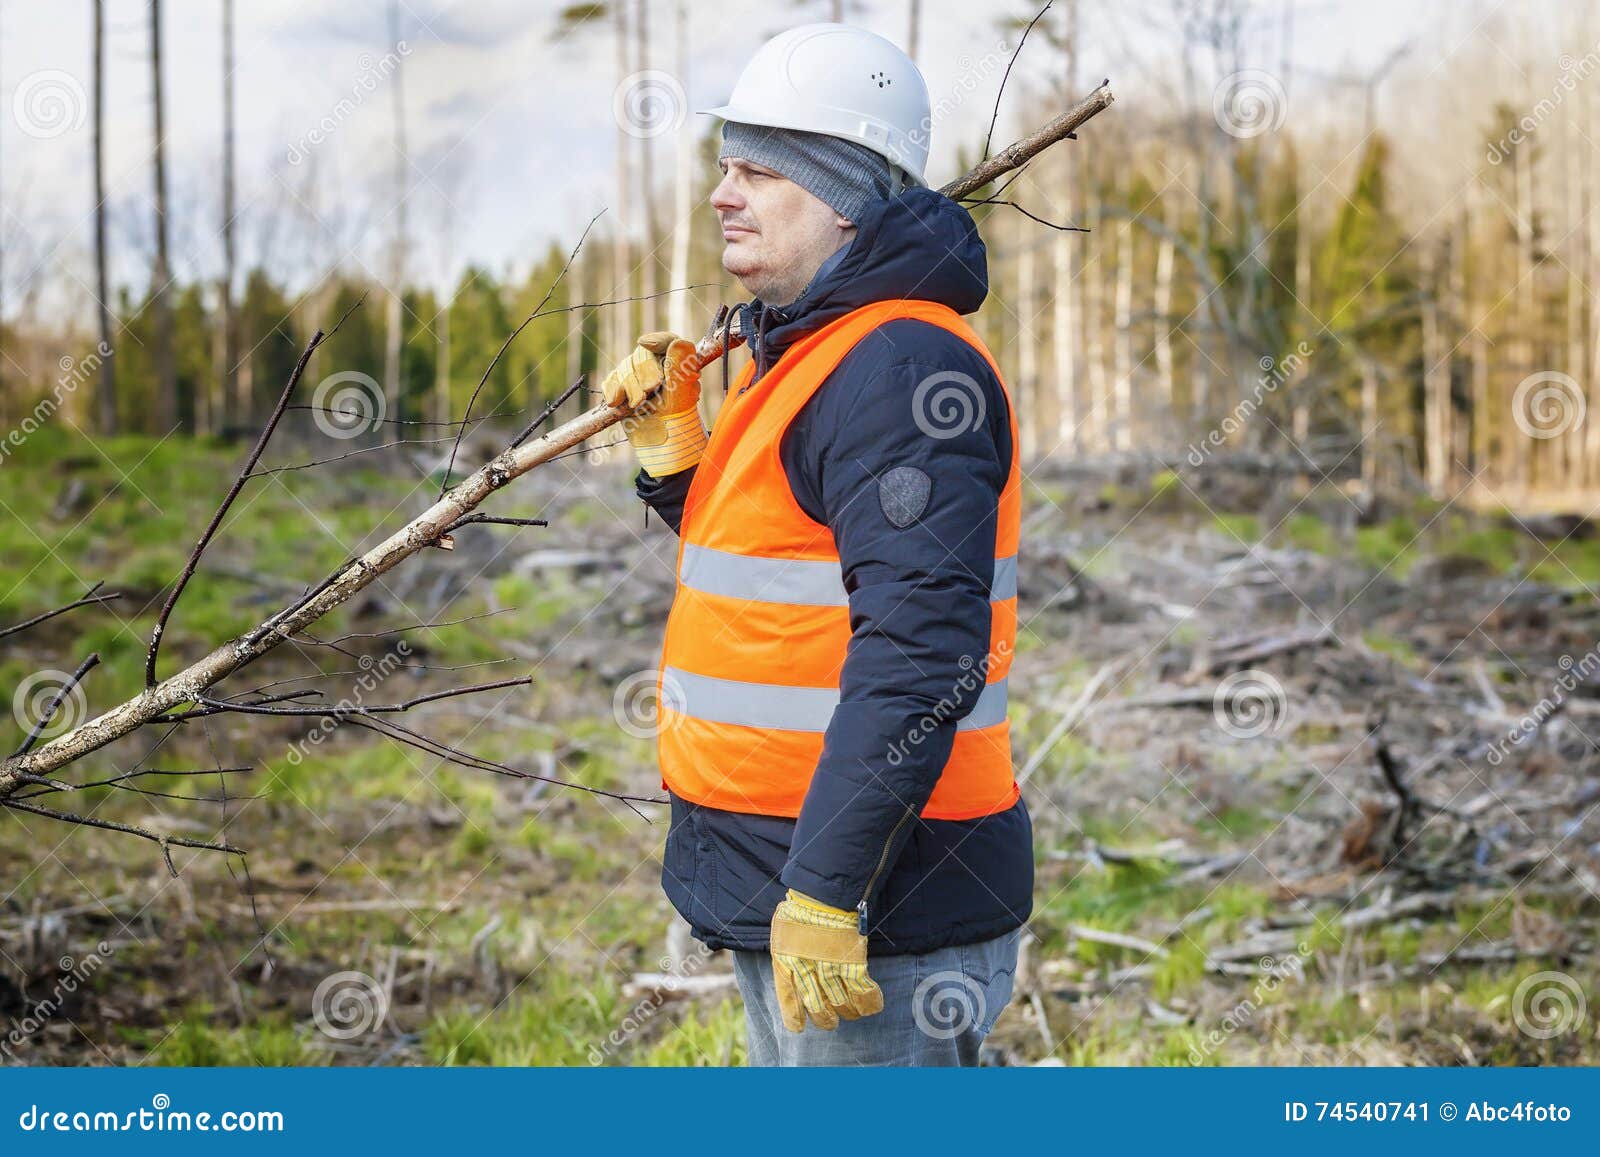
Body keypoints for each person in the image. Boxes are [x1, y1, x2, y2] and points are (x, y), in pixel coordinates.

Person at [600, 22, 1032, 1067]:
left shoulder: (897, 372)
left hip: (881, 892)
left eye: (757, 170)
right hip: (794, 868)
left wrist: (830, 888)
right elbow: (784, 574)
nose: (722, 193)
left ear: (842, 196)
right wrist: (675, 458)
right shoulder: (808, 347)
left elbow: (921, 651)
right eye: (723, 166)